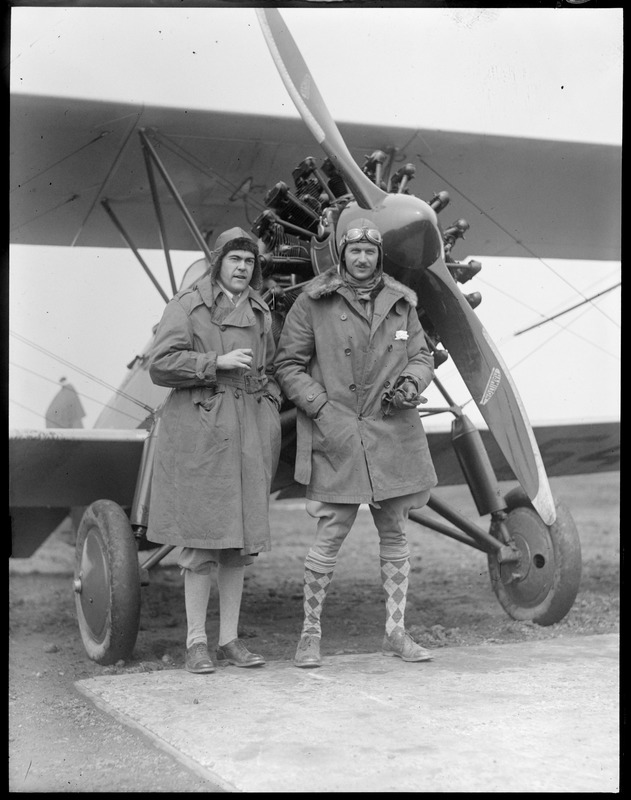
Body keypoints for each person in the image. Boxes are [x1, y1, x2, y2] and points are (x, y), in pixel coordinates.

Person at [274, 218, 438, 668]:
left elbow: (422, 354)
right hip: (338, 431)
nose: (362, 259)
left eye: (370, 252)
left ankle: (396, 632)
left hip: (391, 430)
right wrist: (321, 409)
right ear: (342, 254)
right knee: (329, 534)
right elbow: (288, 363)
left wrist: (411, 381)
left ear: (378, 256)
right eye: (354, 252)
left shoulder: (402, 304)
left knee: (396, 531)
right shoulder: (312, 301)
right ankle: (309, 634)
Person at [147, 227, 282, 674]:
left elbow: (272, 369)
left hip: (248, 429)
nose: (243, 267)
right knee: (201, 541)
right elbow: (160, 365)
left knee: (237, 544)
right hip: (201, 429)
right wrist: (214, 364)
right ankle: (196, 642)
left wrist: (269, 407)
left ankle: (230, 640)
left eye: (249, 261)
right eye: (235, 259)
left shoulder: (261, 311)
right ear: (218, 262)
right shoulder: (187, 305)